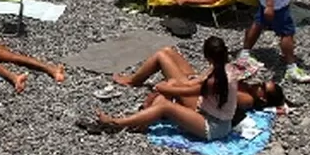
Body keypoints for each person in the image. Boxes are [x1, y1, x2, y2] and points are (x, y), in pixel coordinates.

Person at [79, 37, 238, 140]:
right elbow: (192, 84)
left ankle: (117, 123)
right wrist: (170, 85)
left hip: (213, 125)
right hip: (204, 106)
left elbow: (185, 91)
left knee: (164, 105)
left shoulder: (216, 80)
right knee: (167, 54)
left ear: (207, 56)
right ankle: (141, 113)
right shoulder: (223, 67)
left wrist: (162, 87)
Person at [112, 45, 287, 114]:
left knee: (161, 56)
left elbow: (208, 89)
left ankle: (133, 81)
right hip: (200, 83)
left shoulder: (247, 99)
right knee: (168, 50)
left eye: (263, 86)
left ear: (263, 97)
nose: (260, 83)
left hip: (196, 99)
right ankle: (136, 80)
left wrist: (197, 79)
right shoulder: (249, 89)